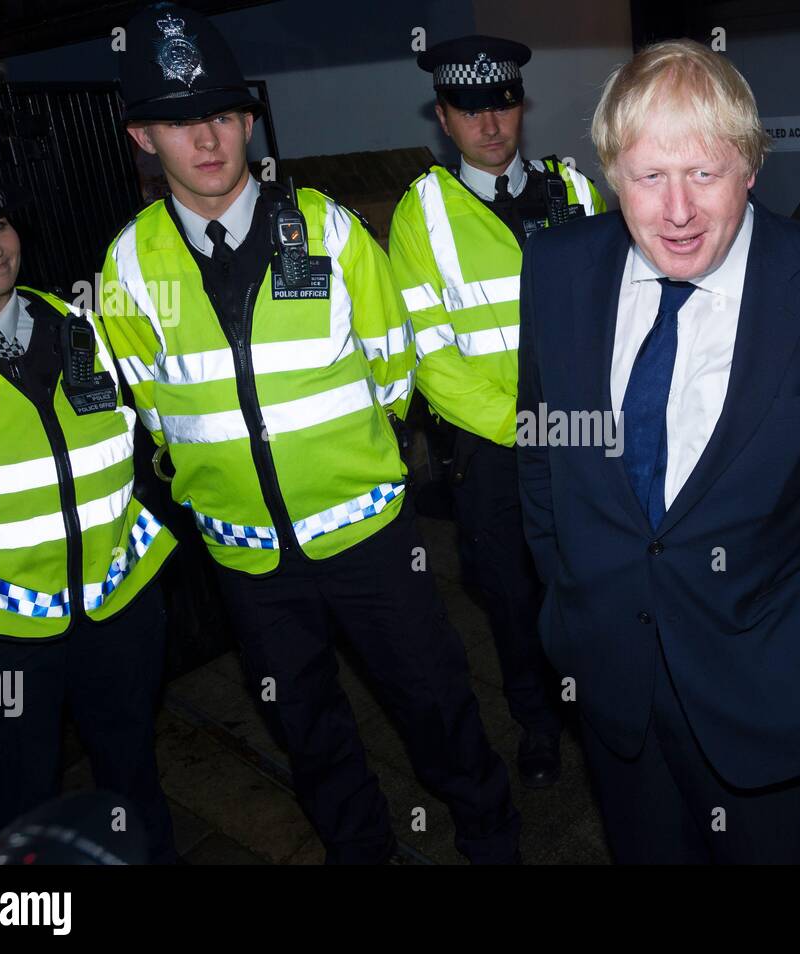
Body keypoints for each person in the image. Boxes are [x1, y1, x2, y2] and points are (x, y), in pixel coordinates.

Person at [100, 3, 519, 864]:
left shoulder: (326, 227)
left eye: (220, 115)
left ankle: (489, 828)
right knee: (306, 722)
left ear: (249, 120)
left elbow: (394, 365)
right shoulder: (127, 268)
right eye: (179, 123)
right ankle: (360, 847)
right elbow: (150, 405)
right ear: (144, 137)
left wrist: (340, 462)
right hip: (249, 558)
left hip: (367, 534)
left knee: (434, 694)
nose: (207, 141)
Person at [516, 39, 800, 863]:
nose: (677, 211)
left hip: (771, 686)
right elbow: (541, 445)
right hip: (611, 678)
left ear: (749, 167)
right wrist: (569, 594)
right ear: (609, 174)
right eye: (648, 175)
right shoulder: (555, 268)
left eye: (703, 173)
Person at [0, 146, 179, 861]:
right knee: (15, 796)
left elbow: (129, 435)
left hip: (117, 607)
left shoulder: (74, 319)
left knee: (133, 774)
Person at [389, 35, 606, 788]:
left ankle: (598, 712)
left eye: (503, 103)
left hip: (584, 439)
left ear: (522, 106)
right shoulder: (423, 215)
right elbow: (431, 357)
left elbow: (615, 316)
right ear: (444, 118)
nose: (491, 124)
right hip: (494, 450)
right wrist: (524, 425)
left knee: (588, 584)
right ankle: (538, 724)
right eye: (470, 109)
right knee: (511, 598)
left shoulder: (574, 191)